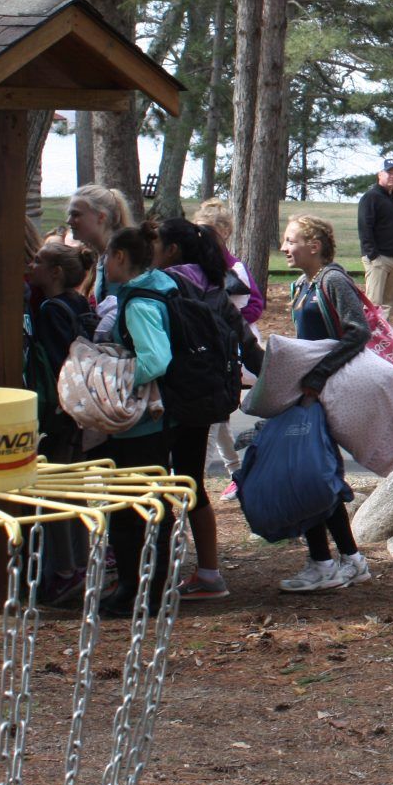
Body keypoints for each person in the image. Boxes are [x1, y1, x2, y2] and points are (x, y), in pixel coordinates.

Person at [277, 215, 374, 593]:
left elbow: (358, 332)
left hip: (328, 394)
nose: (285, 248)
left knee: (311, 475)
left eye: (291, 240)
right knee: (320, 475)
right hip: (310, 395)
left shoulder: (332, 280)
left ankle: (324, 563)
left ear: (314, 245)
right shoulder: (303, 284)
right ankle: (347, 559)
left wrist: (319, 377)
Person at [97, 223, 181, 619]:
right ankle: (144, 588)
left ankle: (138, 592)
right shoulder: (158, 286)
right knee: (148, 504)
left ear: (118, 257)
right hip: (152, 422)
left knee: (133, 508)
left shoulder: (139, 303)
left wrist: (115, 377)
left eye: (105, 258)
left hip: (141, 423)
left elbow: (155, 359)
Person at [154, 219, 239, 600]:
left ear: (172, 249)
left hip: (173, 395)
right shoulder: (212, 286)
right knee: (191, 483)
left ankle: (155, 573)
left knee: (157, 480)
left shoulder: (167, 285)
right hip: (204, 396)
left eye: (156, 242)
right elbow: (243, 337)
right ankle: (209, 572)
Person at [26, 238, 94, 603]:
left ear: (54, 272)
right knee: (75, 485)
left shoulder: (52, 310)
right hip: (80, 409)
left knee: (53, 489)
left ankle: (64, 572)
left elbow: (56, 362)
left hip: (59, 411)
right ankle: (79, 564)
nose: (30, 265)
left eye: (37, 261)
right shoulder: (79, 302)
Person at [192, 198, 264, 498]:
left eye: (208, 231)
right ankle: (237, 472)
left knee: (213, 418)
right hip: (209, 350)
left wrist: (229, 320)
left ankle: (192, 484)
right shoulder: (193, 266)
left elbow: (256, 304)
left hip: (231, 353)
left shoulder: (234, 268)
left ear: (224, 232)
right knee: (218, 419)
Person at [358, 158, 393, 320]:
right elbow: (365, 228)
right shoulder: (370, 197)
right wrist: (373, 255)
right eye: (389, 172)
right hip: (379, 260)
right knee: (373, 305)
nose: (392, 176)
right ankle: (366, 340)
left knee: (388, 305)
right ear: (379, 174)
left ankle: (383, 340)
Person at [66, 183, 133, 303]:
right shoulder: (102, 255)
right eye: (69, 214)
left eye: (75, 214)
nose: (68, 221)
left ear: (101, 217)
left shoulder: (119, 259)